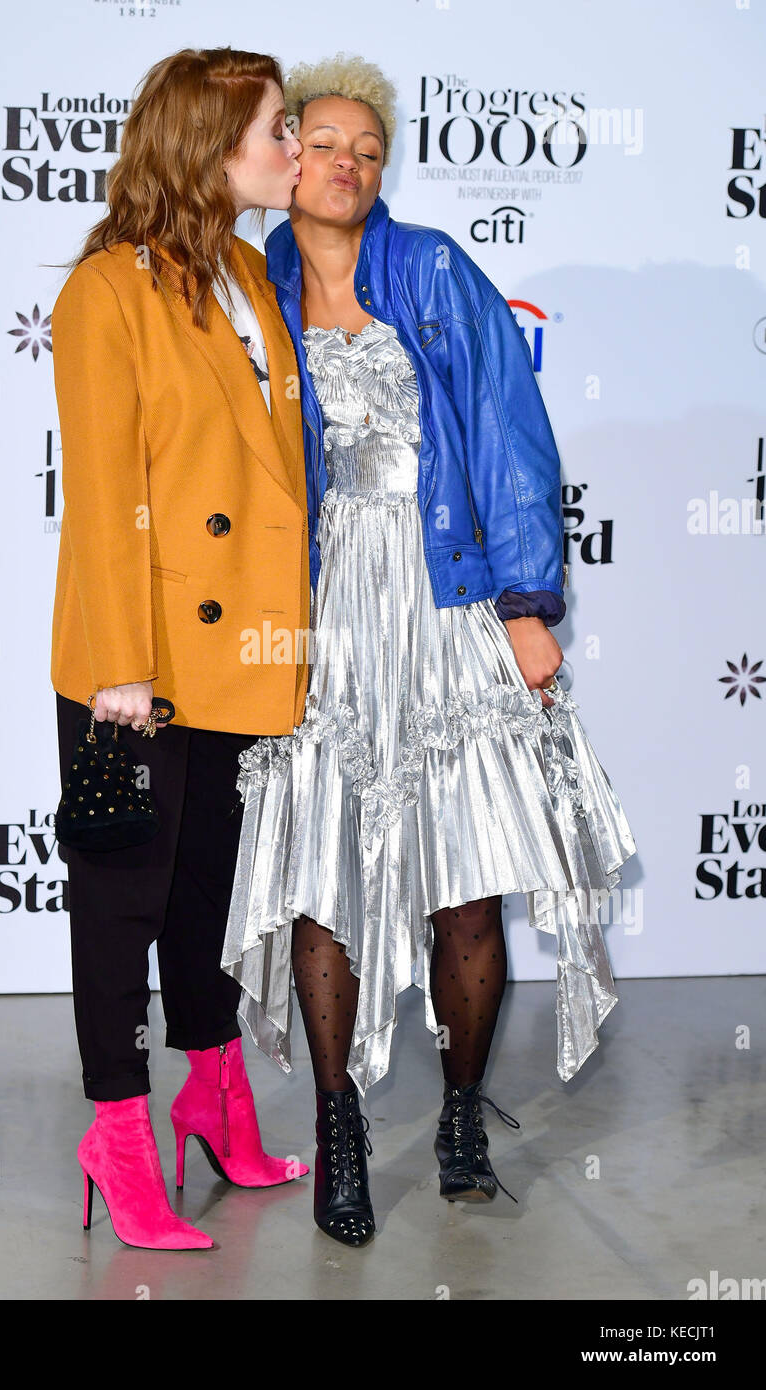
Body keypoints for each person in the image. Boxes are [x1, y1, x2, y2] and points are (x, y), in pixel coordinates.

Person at [220, 54, 637, 1247]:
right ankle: (339, 1123)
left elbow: (509, 434)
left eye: (369, 149)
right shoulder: (252, 289)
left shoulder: (438, 271)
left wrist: (523, 602)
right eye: (326, 143)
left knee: (467, 886)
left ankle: (458, 1111)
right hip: (321, 614)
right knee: (322, 879)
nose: (347, 164)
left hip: (448, 595)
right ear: (288, 154)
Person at [49, 46, 311, 1252]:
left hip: (247, 649)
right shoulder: (107, 289)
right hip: (140, 660)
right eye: (276, 129)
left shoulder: (255, 274)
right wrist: (119, 668)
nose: (295, 150)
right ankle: (116, 1123)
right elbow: (104, 497)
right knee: (121, 898)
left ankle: (212, 1093)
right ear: (209, 146)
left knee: (211, 893)